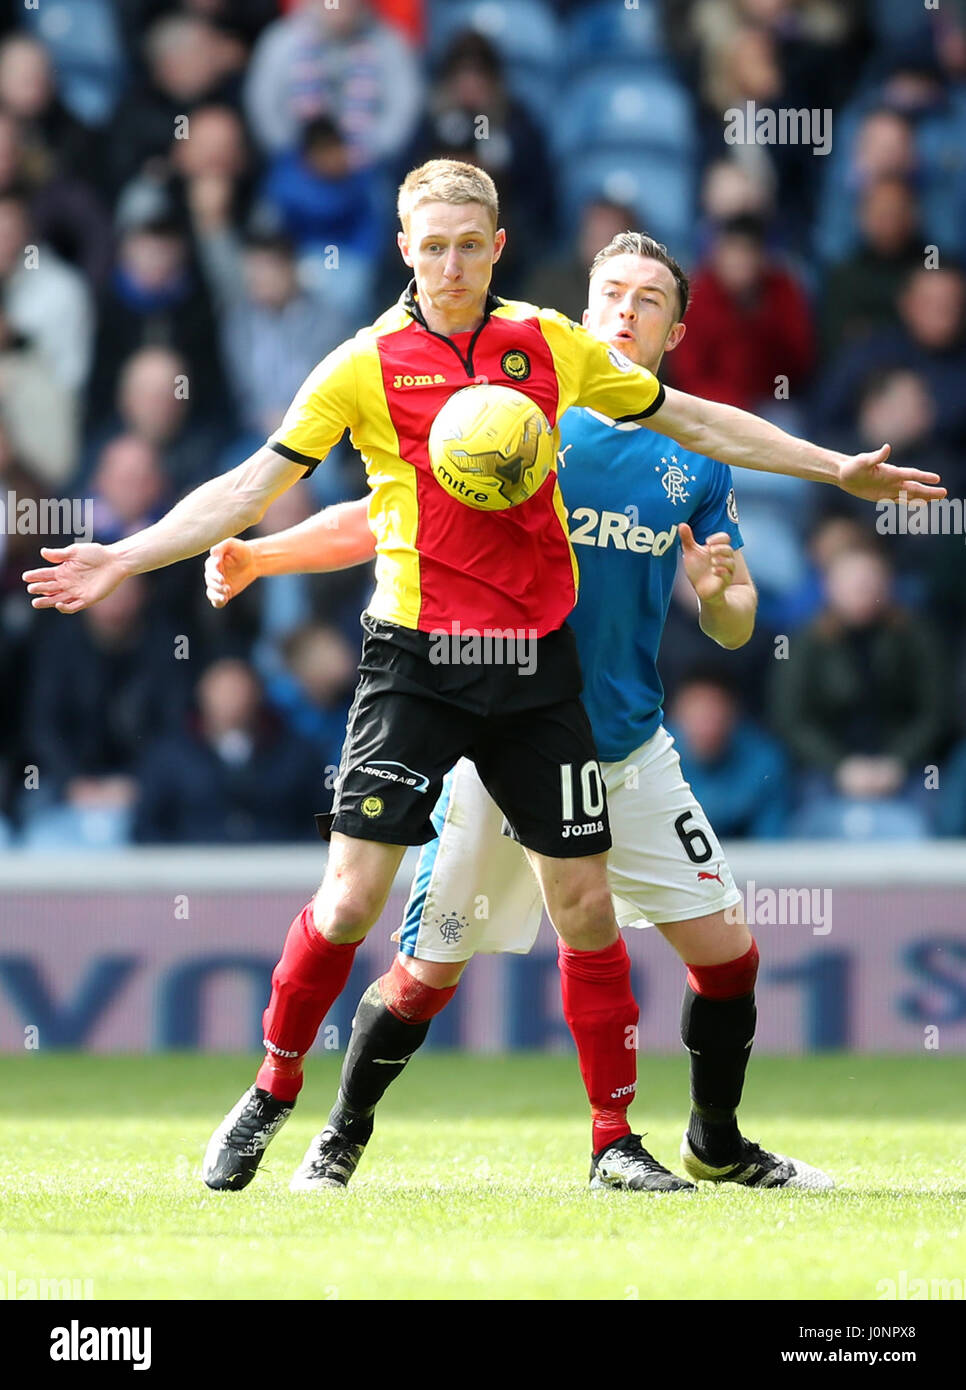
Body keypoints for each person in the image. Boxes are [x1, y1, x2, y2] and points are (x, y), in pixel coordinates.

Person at [22, 160, 943, 1196]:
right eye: (433, 244)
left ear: (498, 245)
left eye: (472, 243)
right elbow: (255, 486)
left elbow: (699, 421)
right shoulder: (364, 364)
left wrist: (834, 470)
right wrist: (123, 554)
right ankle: (275, 1092)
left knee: (585, 902)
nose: (453, 263)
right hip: (417, 658)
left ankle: (614, 1145)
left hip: (541, 668)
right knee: (352, 900)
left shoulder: (547, 347)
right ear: (404, 247)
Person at [201, 231, 819, 1194]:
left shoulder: (692, 455)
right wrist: (264, 555)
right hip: (504, 734)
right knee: (426, 974)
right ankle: (338, 1135)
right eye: (609, 291)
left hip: (624, 742)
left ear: (675, 329)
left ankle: (712, 1140)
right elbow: (383, 516)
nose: (624, 310)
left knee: (729, 953)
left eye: (648, 300)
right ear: (584, 303)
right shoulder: (523, 413)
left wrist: (725, 590)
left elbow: (733, 627)